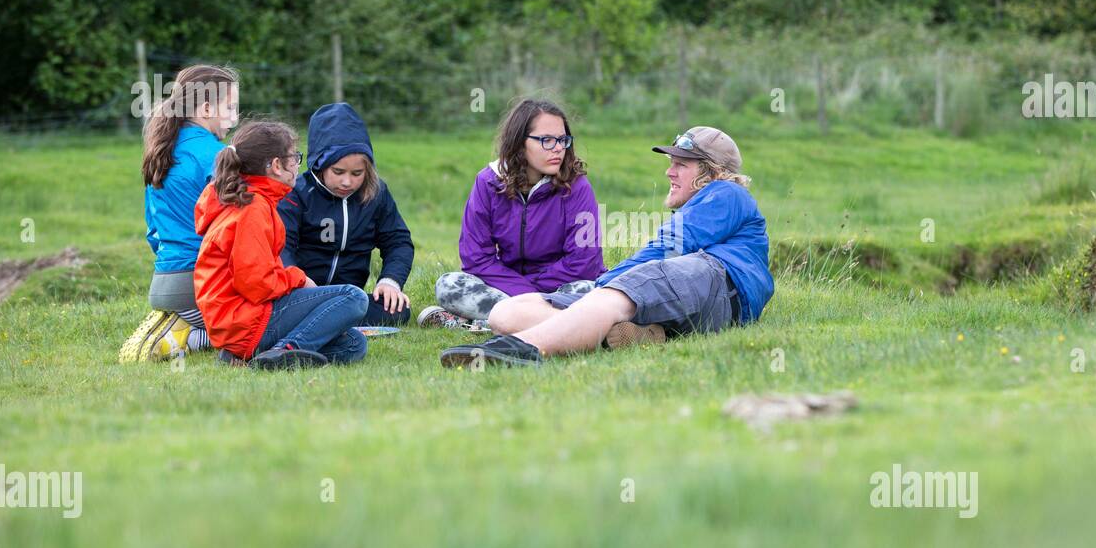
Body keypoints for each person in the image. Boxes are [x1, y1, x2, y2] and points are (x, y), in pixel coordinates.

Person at [441, 126, 773, 367]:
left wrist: (605, 287)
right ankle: (630, 334)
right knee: (507, 312)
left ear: (710, 171)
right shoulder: (712, 201)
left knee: (617, 292)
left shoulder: (727, 193)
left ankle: (523, 349)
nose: (669, 172)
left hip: (720, 283)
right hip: (686, 297)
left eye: (681, 164)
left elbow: (669, 247)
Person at [193, 120, 369, 370]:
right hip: (247, 321)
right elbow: (256, 284)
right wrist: (298, 279)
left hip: (244, 321)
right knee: (353, 297)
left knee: (353, 343)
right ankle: (283, 351)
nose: (298, 165)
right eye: (295, 158)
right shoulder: (252, 209)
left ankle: (244, 356)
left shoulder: (252, 199)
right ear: (276, 165)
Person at [419, 98, 604, 330]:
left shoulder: (577, 186)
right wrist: (524, 293)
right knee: (449, 285)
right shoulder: (487, 183)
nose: (558, 147)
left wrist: (532, 295)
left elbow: (584, 262)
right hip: (508, 287)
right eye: (546, 140)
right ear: (519, 143)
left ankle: (487, 323)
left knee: (592, 291)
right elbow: (475, 258)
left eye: (562, 139)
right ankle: (548, 322)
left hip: (561, 289)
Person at [119, 64, 237, 362]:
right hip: (206, 289)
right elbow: (236, 229)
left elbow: (153, 231)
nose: (234, 119)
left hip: (166, 282)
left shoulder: (161, 153)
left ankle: (178, 330)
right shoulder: (217, 155)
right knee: (272, 320)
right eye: (231, 108)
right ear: (208, 108)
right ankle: (186, 334)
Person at [278, 102, 415, 326]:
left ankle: (330, 319)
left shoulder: (377, 194)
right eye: (338, 172)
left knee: (398, 311)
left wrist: (390, 282)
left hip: (350, 298)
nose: (347, 181)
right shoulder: (296, 194)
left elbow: (399, 242)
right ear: (319, 164)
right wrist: (300, 283)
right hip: (300, 294)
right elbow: (281, 248)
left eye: (357, 173)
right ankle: (325, 320)